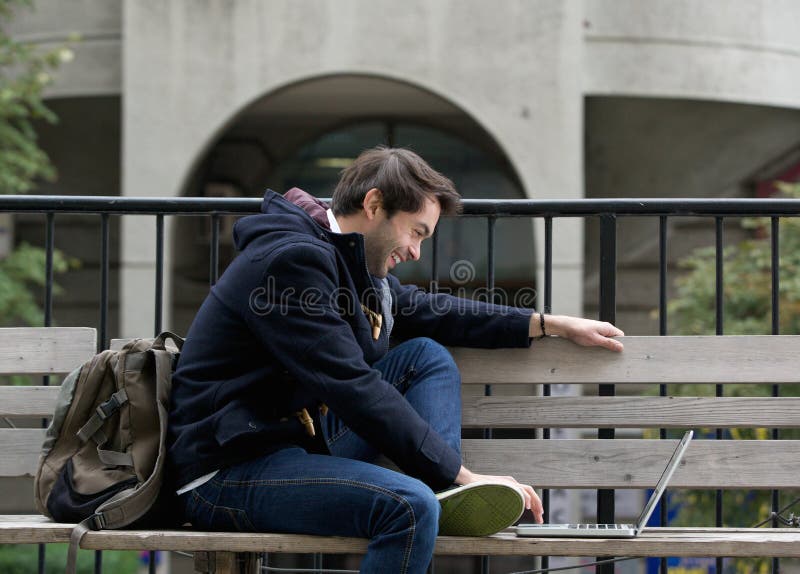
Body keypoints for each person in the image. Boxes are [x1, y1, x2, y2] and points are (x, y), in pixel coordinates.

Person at [166, 146, 624, 573]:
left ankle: (441, 489)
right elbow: (352, 385)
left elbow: (434, 311)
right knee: (408, 507)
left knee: (423, 356)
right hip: (227, 469)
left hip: (288, 439)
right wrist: (460, 471)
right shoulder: (291, 263)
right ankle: (439, 488)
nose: (416, 251)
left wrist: (549, 323)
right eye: (415, 231)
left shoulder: (345, 261)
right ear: (373, 205)